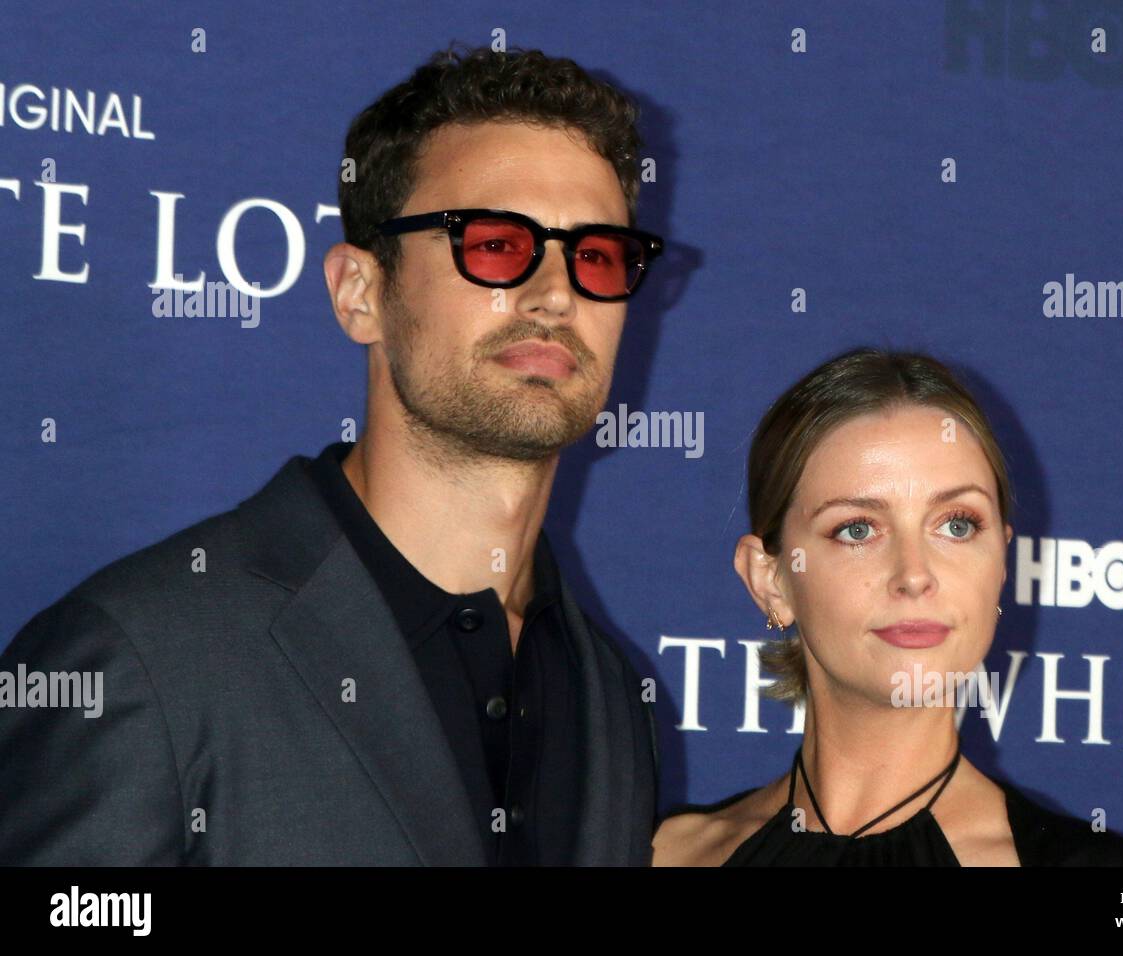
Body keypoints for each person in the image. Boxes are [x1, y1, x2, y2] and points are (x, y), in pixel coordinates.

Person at [0, 43, 665, 865]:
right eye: (496, 244)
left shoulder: (607, 697)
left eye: (596, 256)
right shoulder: (140, 659)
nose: (556, 294)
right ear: (360, 292)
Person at [652, 347, 1123, 866]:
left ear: (1001, 563)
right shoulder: (661, 853)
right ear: (771, 580)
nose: (914, 575)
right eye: (857, 529)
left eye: (957, 525)